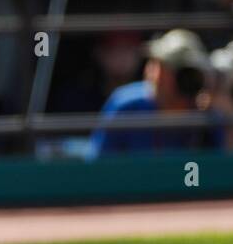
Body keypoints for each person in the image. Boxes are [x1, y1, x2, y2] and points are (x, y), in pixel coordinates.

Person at [89, 28, 224, 156]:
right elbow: (99, 168)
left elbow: (221, 169)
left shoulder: (207, 116)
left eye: (172, 70)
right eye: (156, 65)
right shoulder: (126, 106)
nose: (156, 75)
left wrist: (228, 114)